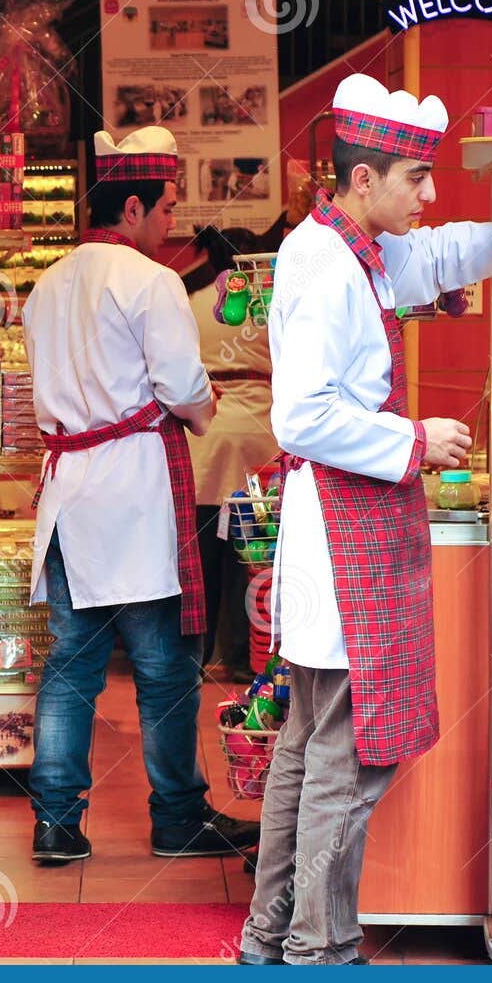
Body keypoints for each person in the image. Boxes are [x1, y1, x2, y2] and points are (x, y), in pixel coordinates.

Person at [239, 73, 492, 965]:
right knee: (348, 755)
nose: (429, 195)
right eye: (415, 179)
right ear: (363, 179)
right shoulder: (325, 269)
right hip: (342, 531)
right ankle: (322, 950)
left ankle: (271, 937)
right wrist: (414, 435)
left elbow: (435, 257)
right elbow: (300, 417)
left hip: (338, 525)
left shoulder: (356, 249)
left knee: (308, 748)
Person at [23, 125, 261, 865]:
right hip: (132, 490)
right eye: (164, 210)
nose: (171, 227)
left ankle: (57, 823)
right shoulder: (149, 280)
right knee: (163, 666)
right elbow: (186, 389)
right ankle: (178, 816)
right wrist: (198, 406)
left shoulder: (48, 281)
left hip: (67, 493)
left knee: (71, 665)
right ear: (132, 206)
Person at [186, 262, 276, 683]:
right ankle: (243, 656)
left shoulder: (188, 302)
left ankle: (195, 656)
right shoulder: (265, 307)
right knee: (253, 556)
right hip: (259, 433)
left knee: (201, 557)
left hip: (205, 435)